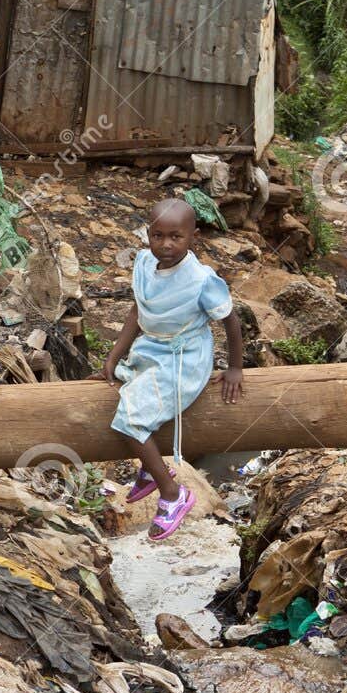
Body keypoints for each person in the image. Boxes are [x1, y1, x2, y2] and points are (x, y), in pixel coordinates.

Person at [102, 198, 244, 541]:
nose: (166, 245)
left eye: (176, 237)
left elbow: (231, 321)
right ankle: (152, 472)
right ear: (147, 234)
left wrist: (236, 367)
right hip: (151, 350)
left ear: (193, 236)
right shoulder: (144, 264)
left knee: (130, 419)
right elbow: (137, 312)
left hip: (186, 359)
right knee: (125, 395)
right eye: (157, 235)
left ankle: (172, 492)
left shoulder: (200, 280)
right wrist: (114, 357)